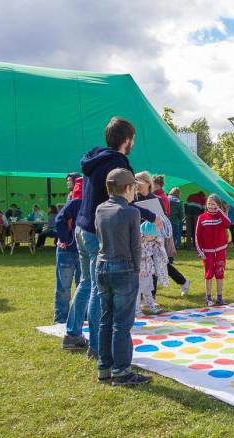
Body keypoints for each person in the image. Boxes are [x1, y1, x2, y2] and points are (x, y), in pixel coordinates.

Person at [73, 117, 160, 360]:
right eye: (132, 139)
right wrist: (150, 215)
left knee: (86, 284)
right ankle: (98, 347)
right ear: (127, 140)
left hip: (83, 225)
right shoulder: (119, 166)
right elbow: (125, 201)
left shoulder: (94, 157)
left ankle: (73, 333)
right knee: (98, 292)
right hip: (99, 231)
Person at [95, 168, 150, 386]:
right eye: (134, 188)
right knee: (122, 324)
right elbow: (135, 246)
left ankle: (104, 367)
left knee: (105, 320)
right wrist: (137, 270)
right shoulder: (131, 212)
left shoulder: (100, 209)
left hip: (102, 266)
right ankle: (121, 371)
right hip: (123, 269)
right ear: (127, 189)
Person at [135, 172, 190, 298]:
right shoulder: (133, 199)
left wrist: (154, 231)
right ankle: (183, 282)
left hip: (154, 237)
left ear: (148, 183)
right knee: (150, 265)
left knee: (155, 264)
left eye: (138, 181)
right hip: (139, 237)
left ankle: (151, 296)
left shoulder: (157, 199)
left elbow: (163, 219)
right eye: (135, 182)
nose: (136, 185)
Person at [54, 178, 82, 330]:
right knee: (64, 286)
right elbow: (59, 220)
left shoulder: (91, 204)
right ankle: (61, 318)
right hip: (68, 250)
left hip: (82, 251)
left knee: (81, 285)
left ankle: (79, 316)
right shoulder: (75, 203)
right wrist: (65, 239)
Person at [195, 194, 231, 306]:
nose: (211, 206)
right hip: (207, 252)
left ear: (218, 205)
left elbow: (228, 224)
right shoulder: (202, 217)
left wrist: (219, 211)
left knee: (220, 273)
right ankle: (208, 297)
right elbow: (197, 236)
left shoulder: (221, 216)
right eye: (209, 204)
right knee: (209, 274)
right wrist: (201, 252)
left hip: (220, 251)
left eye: (213, 204)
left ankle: (219, 297)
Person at [136, 221, 169, 315]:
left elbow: (159, 248)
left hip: (148, 268)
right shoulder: (138, 241)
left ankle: (152, 307)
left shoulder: (152, 240)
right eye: (153, 235)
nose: (154, 237)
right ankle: (137, 310)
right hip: (139, 269)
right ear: (146, 234)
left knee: (148, 289)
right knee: (137, 291)